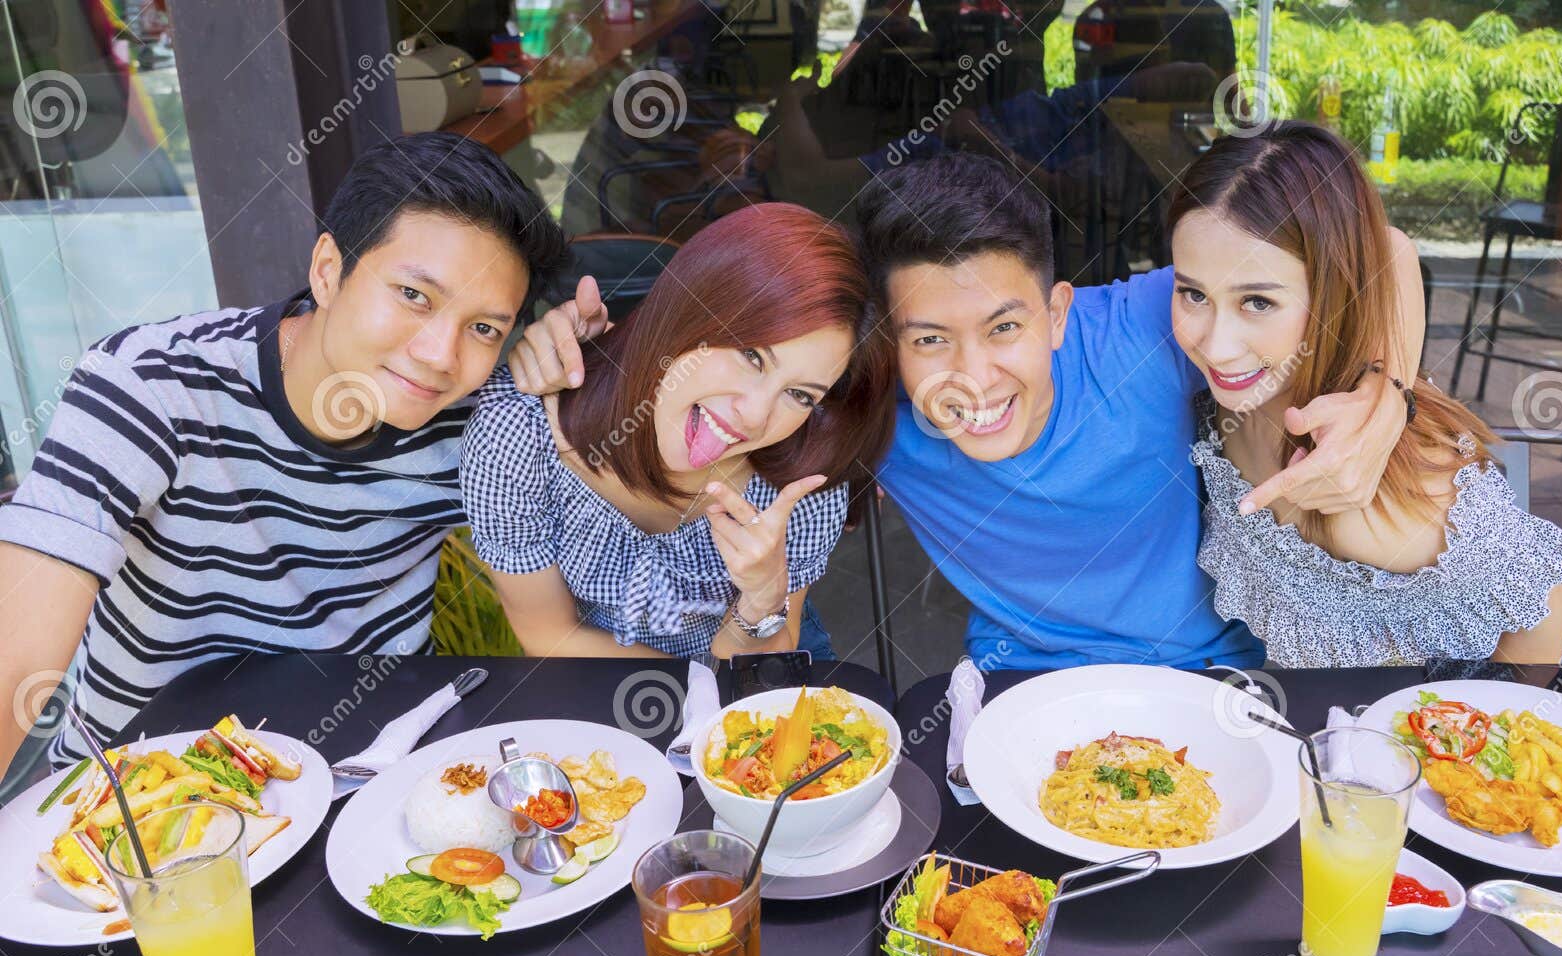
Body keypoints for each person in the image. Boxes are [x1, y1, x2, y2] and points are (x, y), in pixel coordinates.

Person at [509, 152, 1408, 671]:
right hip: (1019, 680)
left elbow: (1385, 247)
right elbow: (726, 371)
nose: (973, 378)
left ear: (1057, 313)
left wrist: (1388, 391)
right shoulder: (862, 412)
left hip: (1217, 669)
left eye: (1005, 326)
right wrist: (582, 346)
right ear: (889, 346)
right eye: (930, 338)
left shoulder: (1148, 327)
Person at [0, 131, 568, 782]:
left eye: (485, 327)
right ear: (329, 270)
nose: (441, 354)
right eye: (414, 295)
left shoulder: (479, 420)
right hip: (136, 797)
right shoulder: (149, 387)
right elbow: (15, 659)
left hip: (365, 780)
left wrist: (587, 358)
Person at [1170, 121, 1562, 666]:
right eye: (1192, 294)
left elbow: (1551, 586)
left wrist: (1489, 743)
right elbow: (1389, 247)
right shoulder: (1239, 401)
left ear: (1332, 291)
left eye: (1257, 302)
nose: (1217, 346)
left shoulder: (1365, 481)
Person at [460, 201, 894, 661]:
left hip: (750, 676)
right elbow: (549, 636)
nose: (752, 416)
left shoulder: (804, 477)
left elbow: (756, 668)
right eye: (751, 355)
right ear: (688, 307)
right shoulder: (517, 436)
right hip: (594, 674)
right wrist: (684, 698)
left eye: (800, 395)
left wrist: (763, 595)